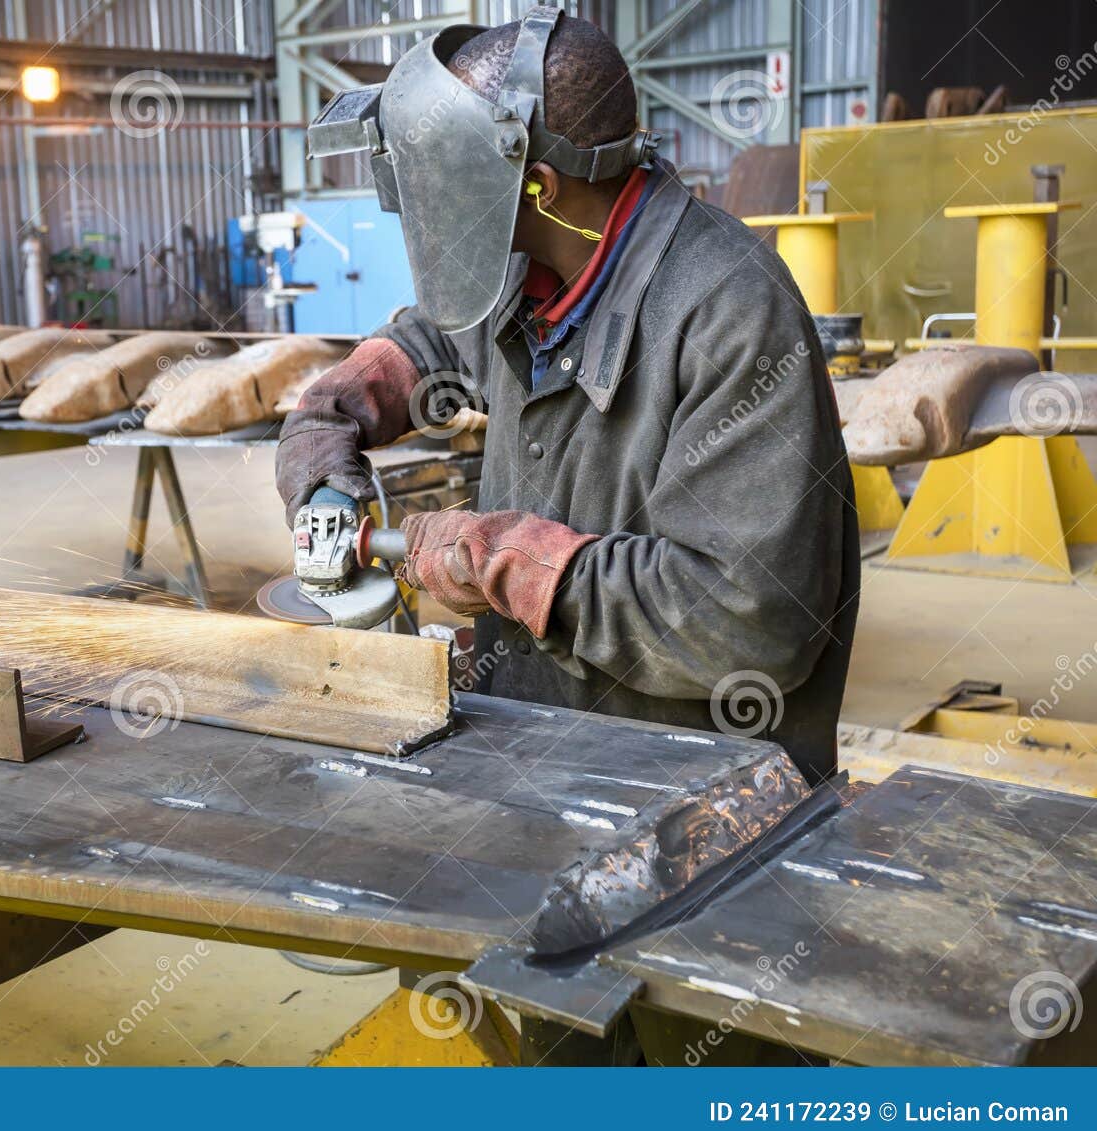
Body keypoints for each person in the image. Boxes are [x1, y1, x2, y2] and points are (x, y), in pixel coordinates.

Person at [275, 5, 858, 784]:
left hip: (697, 792)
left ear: (538, 186)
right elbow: (433, 339)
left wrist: (513, 562)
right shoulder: (530, 271)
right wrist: (332, 418)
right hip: (538, 751)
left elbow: (747, 625)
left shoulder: (732, 310)